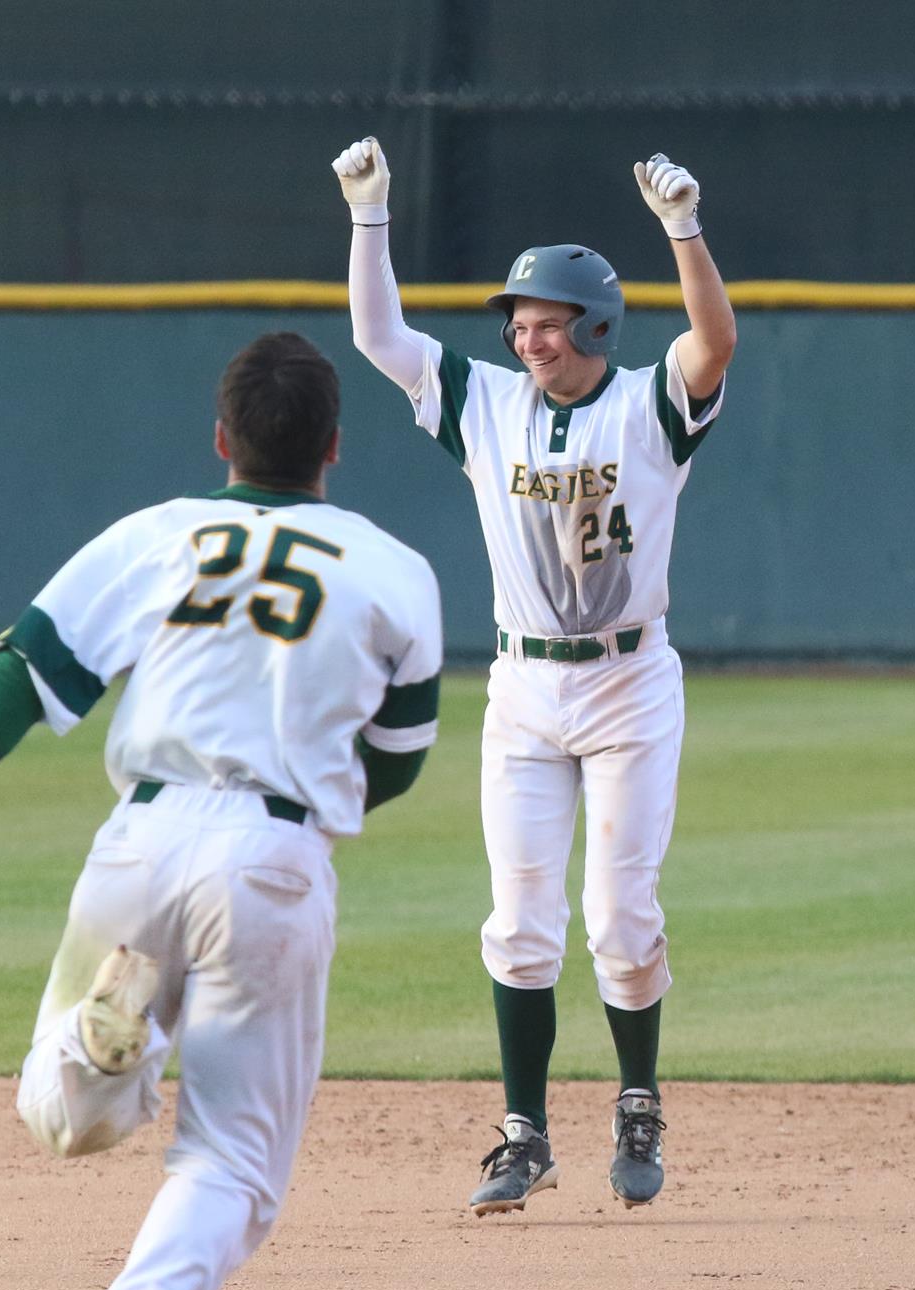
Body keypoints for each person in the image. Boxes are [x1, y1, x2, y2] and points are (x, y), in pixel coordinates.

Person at [0, 331, 443, 1290]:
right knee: (231, 1163)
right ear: (334, 446)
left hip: (138, 842)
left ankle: (101, 1056)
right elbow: (397, 754)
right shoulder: (395, 570)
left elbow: (18, 675)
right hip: (273, 856)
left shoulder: (158, 533)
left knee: (61, 1120)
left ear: (220, 437)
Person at [331, 136, 737, 1215]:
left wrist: (681, 229)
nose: (524, 333)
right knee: (516, 923)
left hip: (628, 685)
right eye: (517, 320)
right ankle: (523, 1132)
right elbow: (377, 334)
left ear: (593, 325)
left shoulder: (648, 405)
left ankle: (638, 1100)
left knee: (618, 916)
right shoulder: (484, 402)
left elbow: (716, 339)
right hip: (522, 687)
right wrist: (368, 213)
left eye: (544, 318)